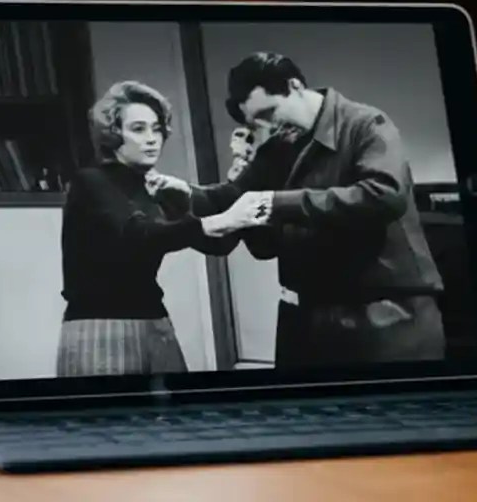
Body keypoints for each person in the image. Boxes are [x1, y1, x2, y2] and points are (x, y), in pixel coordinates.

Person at [190, 53, 446, 367]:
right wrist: (180, 193)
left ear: (295, 86)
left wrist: (278, 203)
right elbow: (233, 196)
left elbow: (384, 194)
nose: (268, 127)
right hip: (307, 318)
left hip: (383, 318)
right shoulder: (277, 148)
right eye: (257, 122)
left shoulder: (365, 124)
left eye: (270, 112)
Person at [56, 80, 271, 377]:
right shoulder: (92, 182)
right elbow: (138, 235)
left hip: (156, 323)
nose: (151, 139)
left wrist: (237, 181)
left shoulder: (153, 185)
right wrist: (219, 220)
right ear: (113, 133)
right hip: (101, 328)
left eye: (156, 129)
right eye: (139, 129)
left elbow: (217, 245)